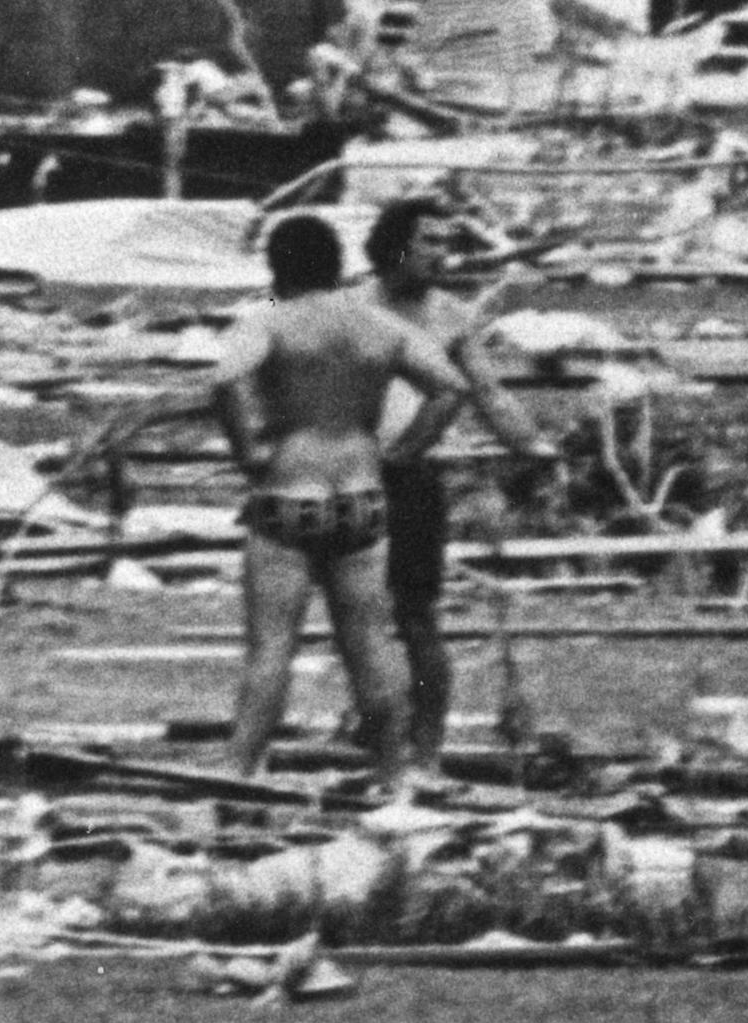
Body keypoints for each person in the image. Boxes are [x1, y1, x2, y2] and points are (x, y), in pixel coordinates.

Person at [205, 211, 544, 781]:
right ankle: (393, 775)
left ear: (275, 266)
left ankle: (237, 771)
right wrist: (403, 452)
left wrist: (250, 451)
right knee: (370, 643)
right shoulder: (377, 325)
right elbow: (451, 388)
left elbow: (224, 380)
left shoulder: (265, 321)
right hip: (364, 498)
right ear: (338, 265)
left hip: (290, 495)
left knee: (271, 648)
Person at [361, 195, 551, 785]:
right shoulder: (349, 306)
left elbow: (489, 393)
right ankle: (375, 742)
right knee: (353, 617)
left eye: (448, 244)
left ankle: (426, 753)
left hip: (411, 475)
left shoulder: (452, 317)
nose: (442, 256)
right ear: (395, 244)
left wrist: (532, 446)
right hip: (345, 473)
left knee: (418, 616)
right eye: (430, 242)